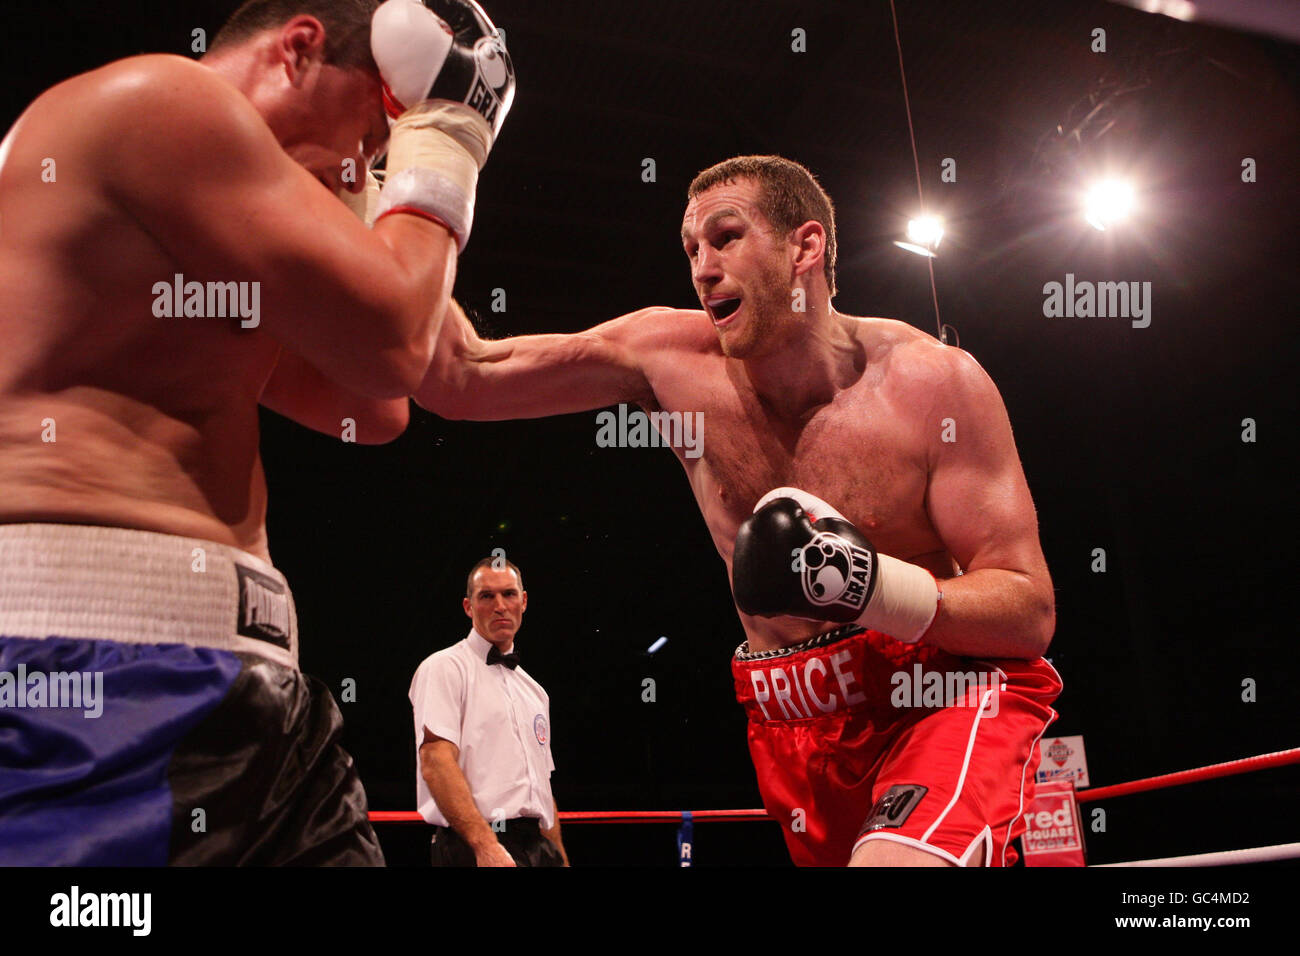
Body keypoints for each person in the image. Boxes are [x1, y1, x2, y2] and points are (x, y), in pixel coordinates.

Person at [416, 155, 1062, 867]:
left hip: (940, 691)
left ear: (804, 247)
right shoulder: (666, 361)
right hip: (790, 717)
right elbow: (459, 378)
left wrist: (874, 587)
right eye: (691, 249)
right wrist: (418, 176)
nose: (702, 266)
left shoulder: (932, 384)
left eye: (725, 237)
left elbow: (1028, 612)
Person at [0, 0, 514, 865]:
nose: (365, 170)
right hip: (93, 675)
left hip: (256, 692)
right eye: (367, 138)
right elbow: (391, 339)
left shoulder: (203, 250)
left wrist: (356, 189)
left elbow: (377, 405)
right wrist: (451, 132)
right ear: (299, 50)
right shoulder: (164, 99)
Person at [409, 557, 569, 867]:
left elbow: (540, 788)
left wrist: (559, 858)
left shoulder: (535, 691)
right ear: (468, 607)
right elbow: (435, 760)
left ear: (523, 602)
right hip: (475, 844)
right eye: (487, 596)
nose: (500, 605)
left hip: (537, 847)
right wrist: (485, 846)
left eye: (509, 594)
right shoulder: (444, 668)